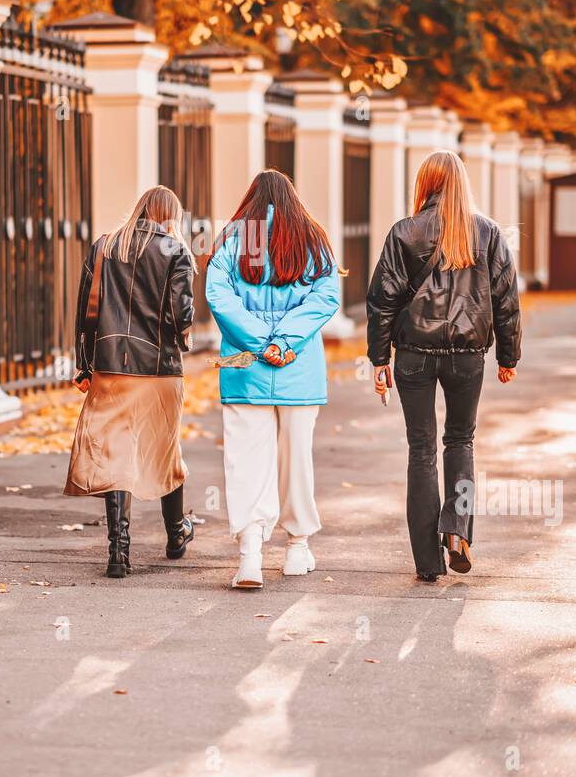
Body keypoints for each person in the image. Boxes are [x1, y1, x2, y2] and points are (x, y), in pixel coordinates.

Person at [366, 149, 521, 582]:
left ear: (425, 184)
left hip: (414, 356)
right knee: (461, 442)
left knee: (421, 451)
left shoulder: (404, 233)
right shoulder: (488, 234)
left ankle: (426, 563)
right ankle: (457, 529)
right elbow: (507, 300)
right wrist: (508, 356)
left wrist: (379, 358)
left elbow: (382, 301)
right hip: (467, 358)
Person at [205, 168, 342, 589]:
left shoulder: (233, 239)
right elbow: (327, 296)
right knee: (296, 459)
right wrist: (283, 342)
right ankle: (297, 547)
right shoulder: (312, 239)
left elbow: (218, 295)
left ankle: (250, 553)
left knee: (245, 460)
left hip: (245, 366)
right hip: (297, 369)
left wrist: (260, 341)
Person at [64, 186, 196, 579]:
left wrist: (85, 365)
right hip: (159, 370)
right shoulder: (175, 251)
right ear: (171, 215)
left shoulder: (105, 247)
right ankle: (175, 534)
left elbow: (85, 313)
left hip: (110, 368)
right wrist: (184, 338)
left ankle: (118, 551)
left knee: (116, 455)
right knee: (164, 450)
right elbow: (181, 314)